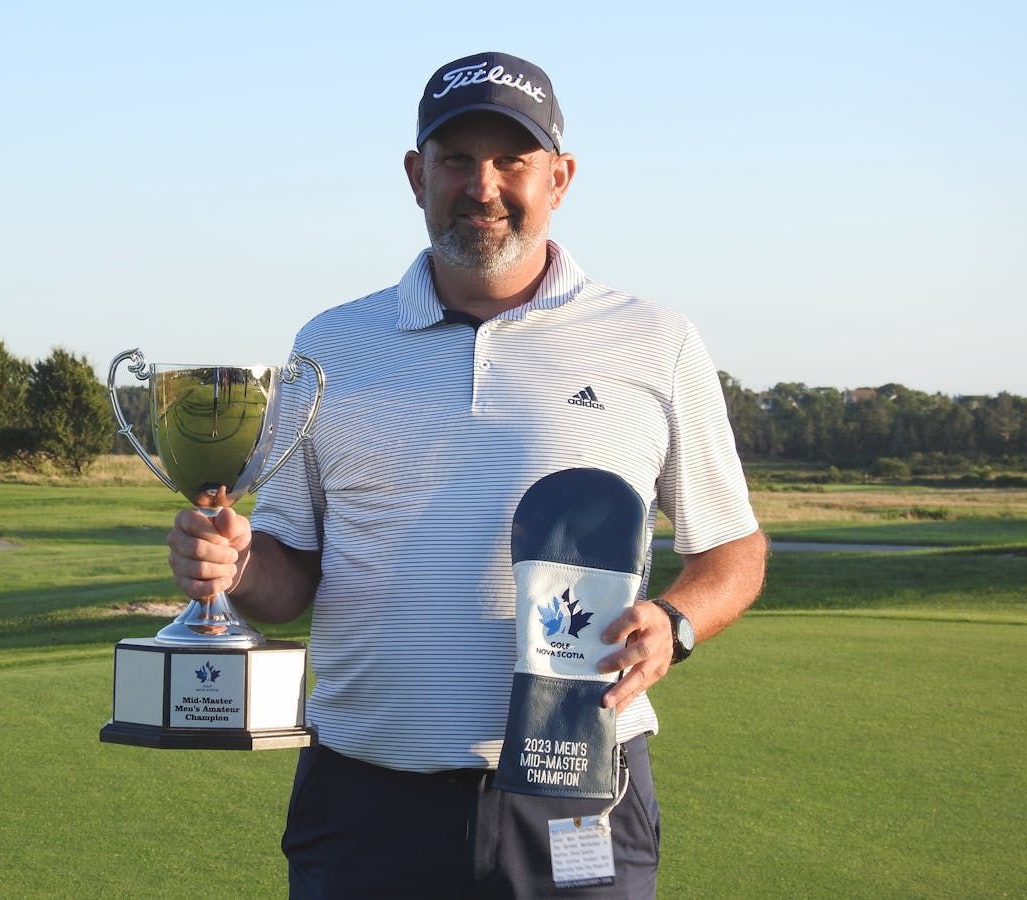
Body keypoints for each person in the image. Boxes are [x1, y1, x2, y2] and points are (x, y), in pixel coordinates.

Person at [168, 51, 767, 898]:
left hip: (578, 793)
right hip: (365, 797)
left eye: (511, 161)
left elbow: (732, 552)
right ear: (417, 176)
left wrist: (677, 620)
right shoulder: (331, 346)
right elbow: (288, 576)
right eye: (455, 159)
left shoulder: (654, 341)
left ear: (559, 178)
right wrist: (234, 563)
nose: (482, 186)